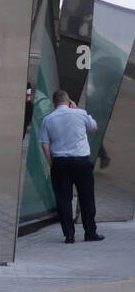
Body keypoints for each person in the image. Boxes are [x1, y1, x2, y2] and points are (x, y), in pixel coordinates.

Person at [40, 89, 103, 243]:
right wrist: (75, 109)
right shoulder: (80, 113)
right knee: (86, 198)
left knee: (63, 199)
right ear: (69, 102)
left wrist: (51, 163)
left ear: (54, 104)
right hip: (81, 162)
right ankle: (90, 233)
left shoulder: (48, 119)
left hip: (60, 163)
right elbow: (94, 127)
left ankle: (69, 235)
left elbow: (45, 145)